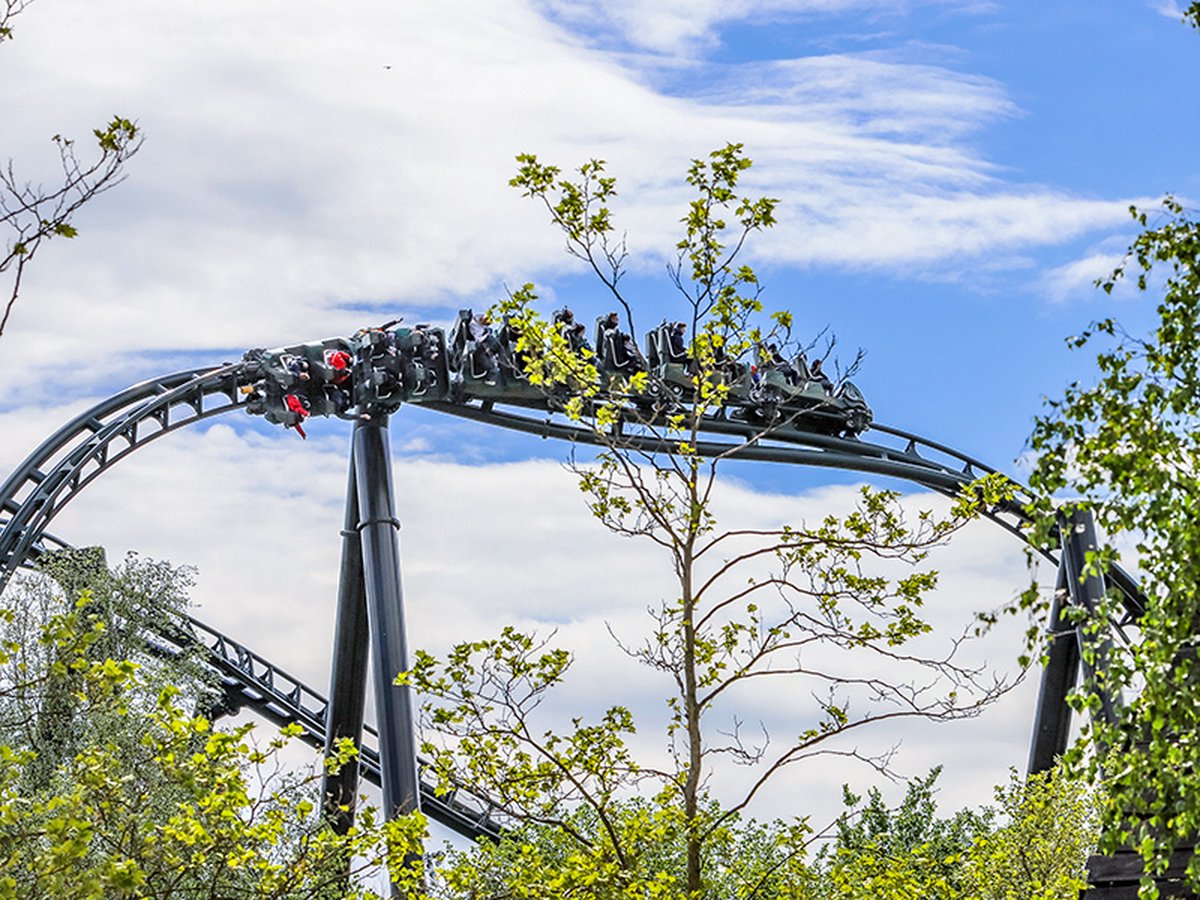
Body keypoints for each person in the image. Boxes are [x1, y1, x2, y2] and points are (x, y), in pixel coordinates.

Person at [469, 312, 500, 385]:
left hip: (487, 342)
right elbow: (479, 338)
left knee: (497, 343)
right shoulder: (473, 325)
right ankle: (491, 375)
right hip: (481, 343)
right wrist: (486, 335)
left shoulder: (479, 319)